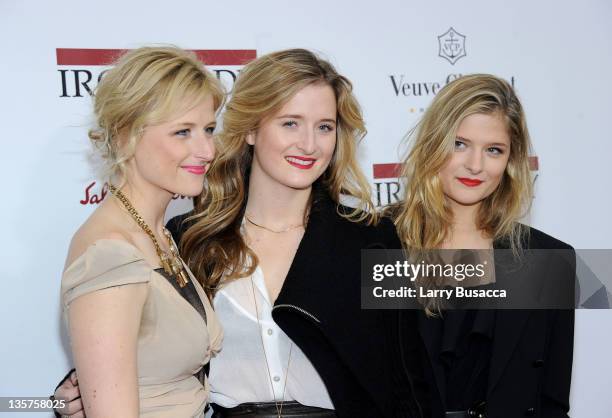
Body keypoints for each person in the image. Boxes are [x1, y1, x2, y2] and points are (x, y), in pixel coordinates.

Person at [54, 48, 427, 418]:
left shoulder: (374, 239)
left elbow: (409, 375)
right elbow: (152, 354)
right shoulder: (188, 238)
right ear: (251, 128)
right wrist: (80, 391)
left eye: (325, 127)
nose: (310, 144)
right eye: (290, 123)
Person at [391, 74, 575, 418]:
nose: (475, 165)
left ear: (511, 160)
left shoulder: (550, 260)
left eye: (493, 150)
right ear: (434, 143)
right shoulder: (376, 245)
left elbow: (552, 403)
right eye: (459, 144)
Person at [57, 46, 224, 417]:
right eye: (183, 132)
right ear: (123, 134)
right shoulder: (110, 253)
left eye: (208, 129)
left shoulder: (159, 235)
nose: (207, 149)